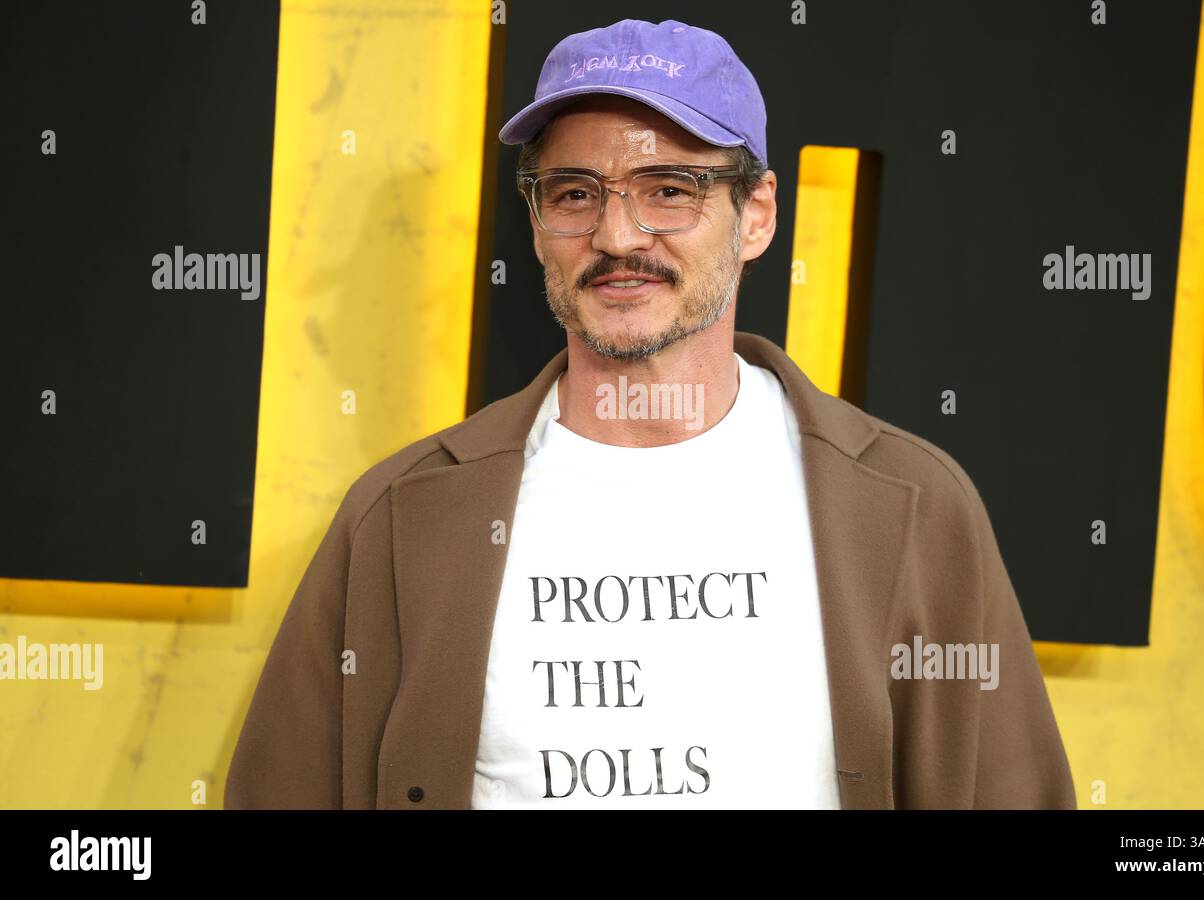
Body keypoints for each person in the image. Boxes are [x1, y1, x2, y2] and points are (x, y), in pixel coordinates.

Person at [225, 18, 1075, 809]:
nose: (618, 235)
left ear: (758, 215)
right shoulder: (401, 516)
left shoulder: (914, 504)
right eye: (573, 193)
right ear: (536, 219)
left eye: (670, 189)